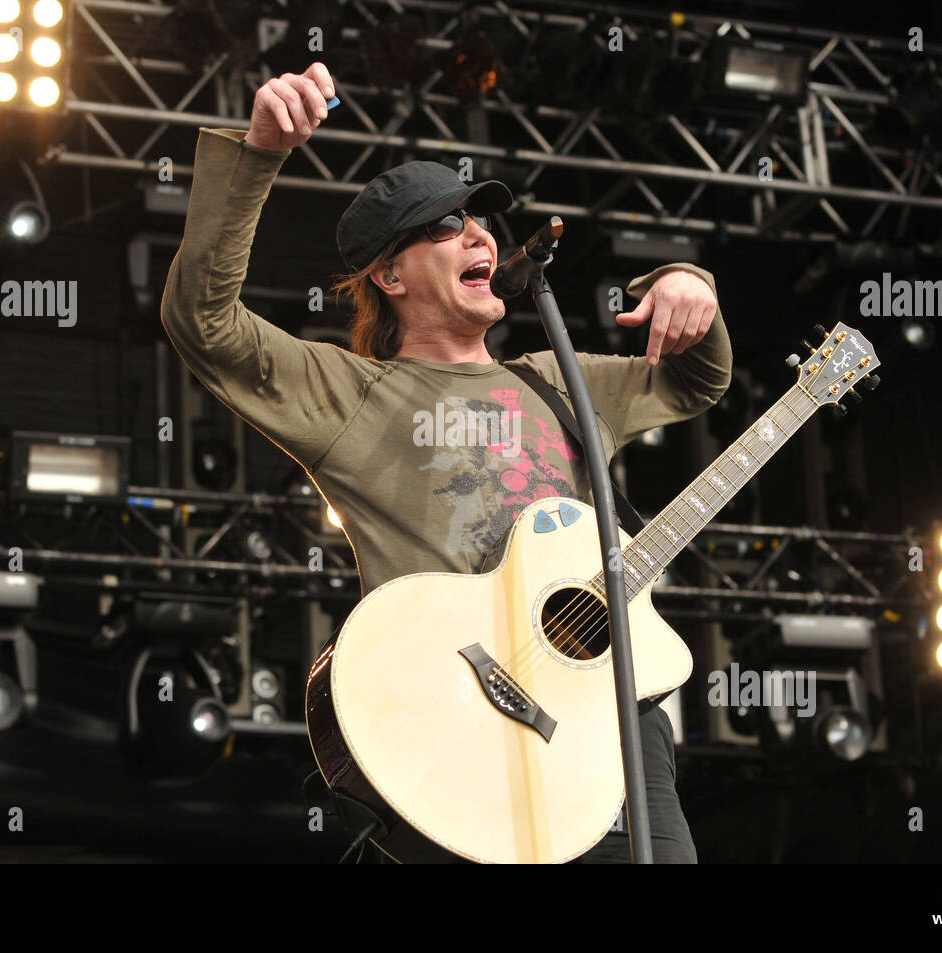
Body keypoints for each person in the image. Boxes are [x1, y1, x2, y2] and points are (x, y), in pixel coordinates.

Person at [160, 62, 732, 864]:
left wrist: (685, 284)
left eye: (480, 222)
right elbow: (203, 322)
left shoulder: (560, 379)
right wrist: (257, 155)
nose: (479, 236)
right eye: (443, 227)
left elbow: (698, 379)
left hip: (607, 719)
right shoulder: (352, 393)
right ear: (389, 275)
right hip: (464, 730)